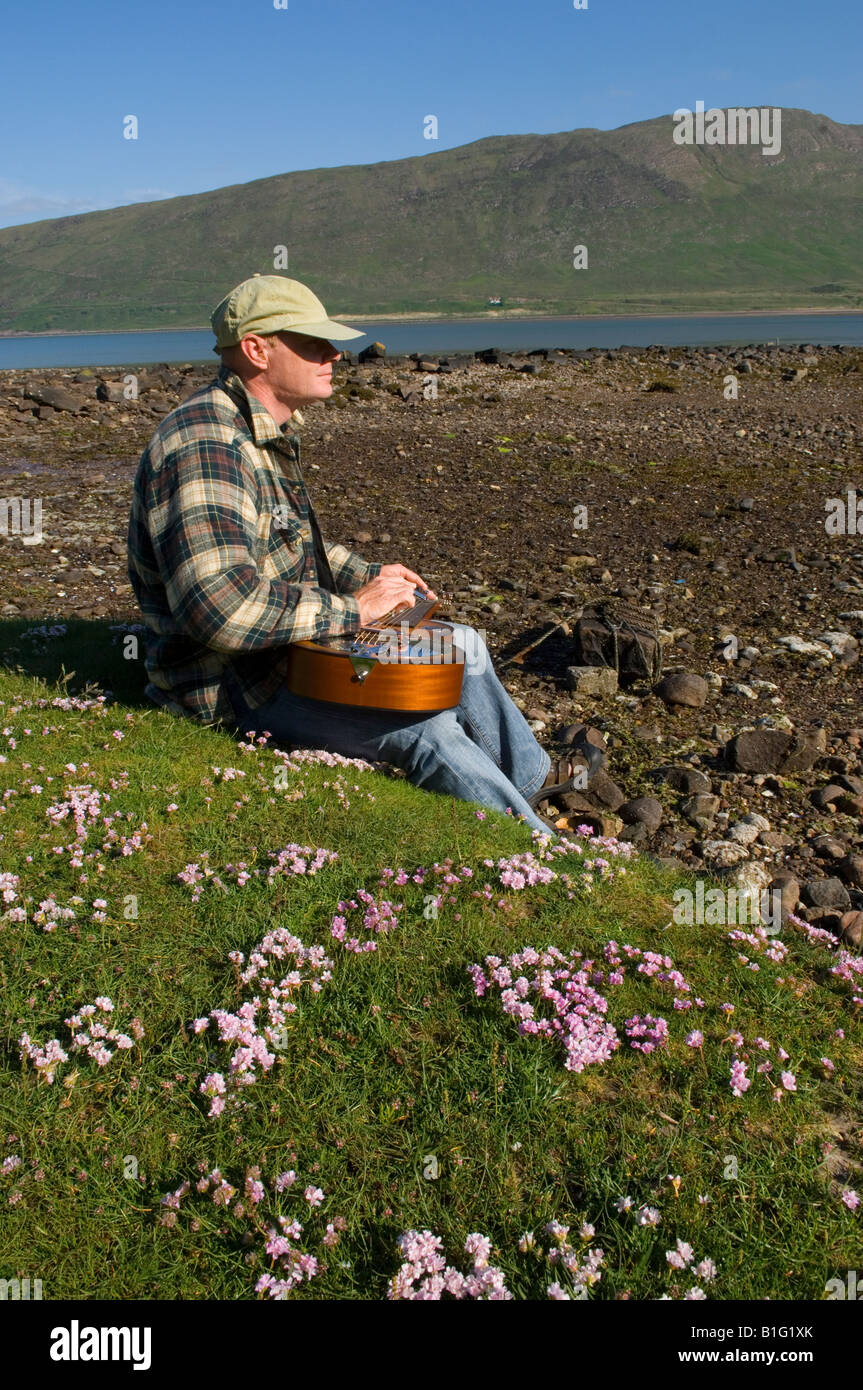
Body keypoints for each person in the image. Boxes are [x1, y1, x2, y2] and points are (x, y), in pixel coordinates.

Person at [127, 274, 589, 836]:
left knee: (462, 644)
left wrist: (368, 576)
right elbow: (220, 611)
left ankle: (532, 777)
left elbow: (287, 542)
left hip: (288, 656)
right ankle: (545, 864)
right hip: (234, 688)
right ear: (256, 349)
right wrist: (356, 610)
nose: (335, 354)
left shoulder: (259, 428)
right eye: (312, 342)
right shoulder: (206, 446)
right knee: (430, 730)